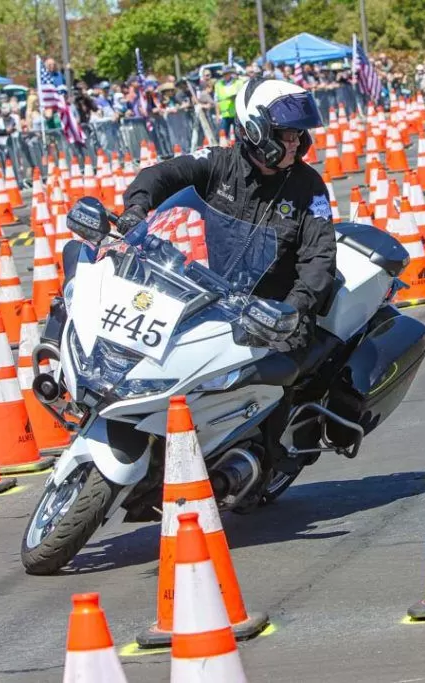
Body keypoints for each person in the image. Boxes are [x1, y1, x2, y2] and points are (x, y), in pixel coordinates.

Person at [119, 78, 337, 479]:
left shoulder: (309, 188)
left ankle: (267, 455)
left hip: (273, 312)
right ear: (255, 129)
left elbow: (320, 256)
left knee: (276, 371)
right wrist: (136, 209)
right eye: (286, 135)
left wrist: (294, 307)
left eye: (298, 135)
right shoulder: (219, 163)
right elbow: (162, 174)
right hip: (211, 295)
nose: (296, 143)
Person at [214, 65, 243, 139]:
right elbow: (217, 101)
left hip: (236, 114)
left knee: (238, 136)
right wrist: (217, 115)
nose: (225, 75)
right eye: (224, 74)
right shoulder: (218, 85)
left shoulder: (238, 83)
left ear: (230, 73)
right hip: (224, 115)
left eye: (226, 73)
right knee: (223, 136)